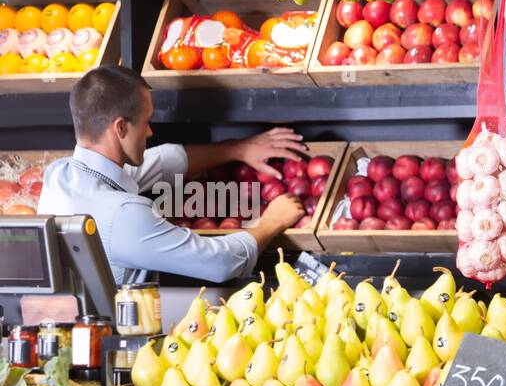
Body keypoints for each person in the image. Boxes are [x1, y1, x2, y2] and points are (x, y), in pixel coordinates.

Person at [38, 66, 308, 285]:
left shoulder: (59, 176)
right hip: (116, 340)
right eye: (146, 122)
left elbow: (161, 162)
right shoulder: (123, 215)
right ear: (120, 127)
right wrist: (270, 223)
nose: (150, 132)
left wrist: (237, 149)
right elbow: (218, 263)